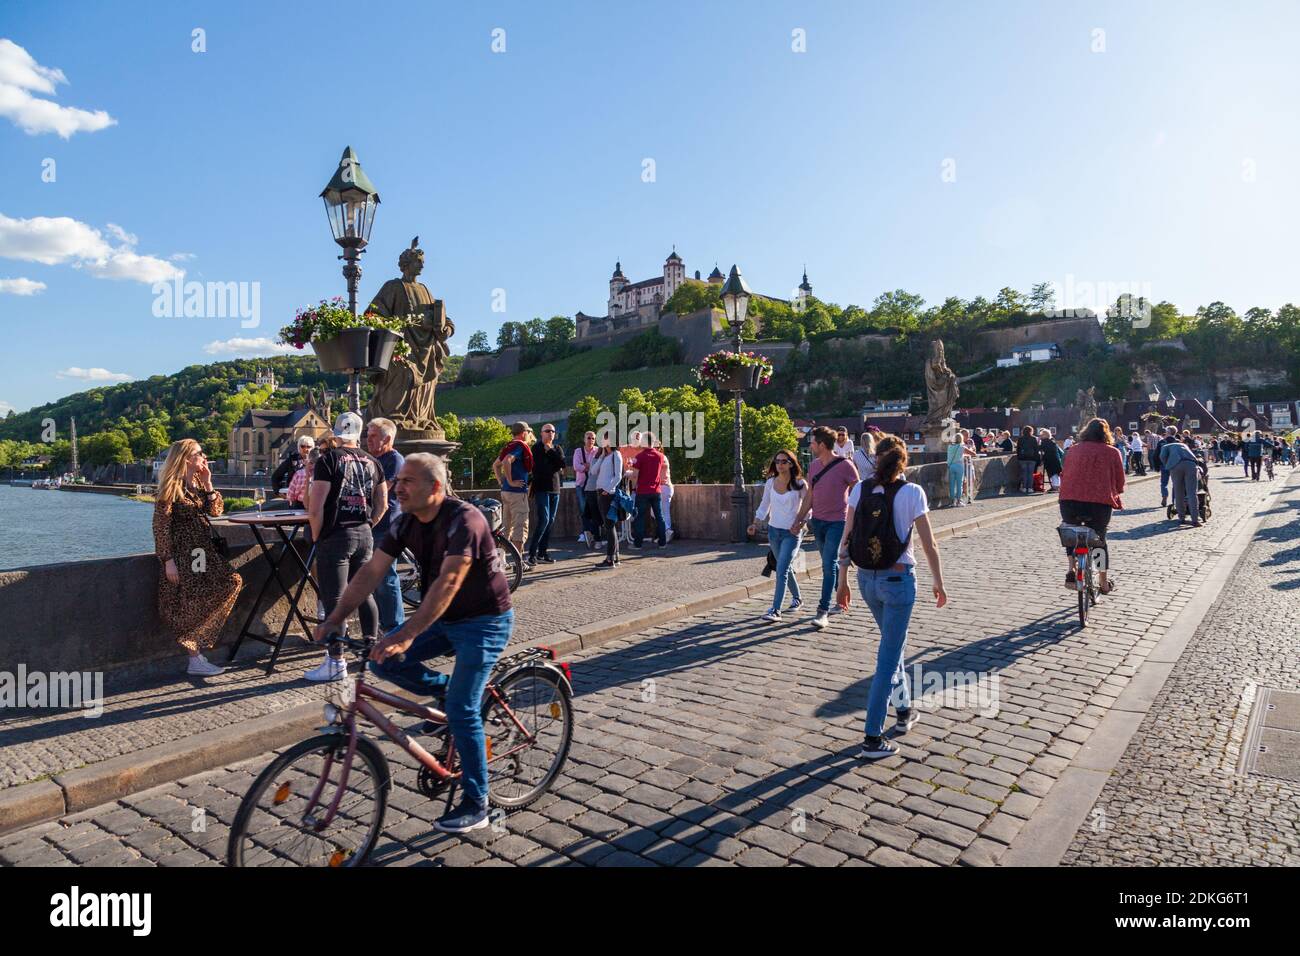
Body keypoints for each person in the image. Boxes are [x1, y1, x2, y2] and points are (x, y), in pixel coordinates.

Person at [313, 453, 513, 834]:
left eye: (407, 481)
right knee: (381, 662)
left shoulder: (465, 520)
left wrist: (404, 634)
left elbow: (449, 583)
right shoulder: (405, 521)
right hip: (443, 618)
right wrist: (336, 617)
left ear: (434, 487)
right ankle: (446, 698)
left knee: (462, 708)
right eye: (398, 480)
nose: (397, 487)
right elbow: (372, 570)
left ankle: (478, 802)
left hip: (484, 621)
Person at [835, 435, 946, 760]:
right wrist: (938, 581)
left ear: (875, 459)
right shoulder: (912, 492)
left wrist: (842, 580)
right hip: (897, 580)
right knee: (887, 659)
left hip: (866, 579)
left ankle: (904, 711)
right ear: (903, 461)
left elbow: (847, 538)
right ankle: (872, 738)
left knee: (892, 646)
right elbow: (929, 544)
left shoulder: (860, 489)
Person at [304, 411, 388, 682]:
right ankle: (370, 651)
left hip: (336, 535)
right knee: (364, 594)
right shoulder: (373, 461)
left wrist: (318, 535)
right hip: (363, 534)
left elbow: (315, 507)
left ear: (337, 433)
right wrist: (367, 525)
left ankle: (336, 661)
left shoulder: (328, 460)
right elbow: (383, 504)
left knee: (336, 599)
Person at [153, 439, 242, 677]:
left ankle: (195, 646)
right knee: (190, 601)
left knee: (231, 581)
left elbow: (216, 511)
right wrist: (167, 560)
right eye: (199, 453)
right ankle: (195, 658)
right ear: (186, 459)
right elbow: (160, 526)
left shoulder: (197, 484)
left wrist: (209, 484)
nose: (204, 456)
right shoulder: (171, 487)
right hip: (183, 555)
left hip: (202, 553)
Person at [791, 425, 859, 630]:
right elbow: (810, 495)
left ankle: (822, 611)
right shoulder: (813, 467)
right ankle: (841, 594)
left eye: (812, 442)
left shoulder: (846, 465)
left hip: (838, 522)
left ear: (821, 444)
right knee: (830, 562)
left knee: (828, 564)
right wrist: (799, 519)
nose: (810, 445)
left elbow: (859, 491)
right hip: (818, 522)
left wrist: (854, 519)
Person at [1058, 417, 1124, 594]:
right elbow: (1120, 481)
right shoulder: (1112, 452)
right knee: (1099, 541)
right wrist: (1115, 491)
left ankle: (1071, 568)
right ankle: (1103, 582)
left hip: (1069, 501)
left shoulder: (1072, 450)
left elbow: (1064, 474)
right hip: (1099, 504)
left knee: (1072, 532)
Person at [749, 450, 808, 622]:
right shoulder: (770, 482)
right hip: (774, 531)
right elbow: (764, 505)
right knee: (785, 568)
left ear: (791, 463)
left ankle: (775, 610)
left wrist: (801, 523)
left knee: (781, 569)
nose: (780, 464)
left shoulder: (800, 483)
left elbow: (809, 507)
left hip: (792, 533)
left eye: (784, 461)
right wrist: (755, 522)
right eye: (777, 461)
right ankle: (797, 598)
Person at [365, 417, 406, 635]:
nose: (367, 440)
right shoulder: (372, 459)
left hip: (387, 525)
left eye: (373, 436)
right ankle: (382, 625)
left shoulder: (394, 460)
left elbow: (381, 489)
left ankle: (394, 628)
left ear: (387, 438)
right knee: (375, 578)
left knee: (386, 579)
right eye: (367, 435)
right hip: (373, 525)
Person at [525, 423, 565, 568]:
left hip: (555, 489)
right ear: (541, 433)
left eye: (553, 431)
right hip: (541, 488)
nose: (550, 433)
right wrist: (554, 465)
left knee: (550, 521)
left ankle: (542, 553)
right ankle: (531, 554)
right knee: (544, 520)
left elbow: (562, 464)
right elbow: (540, 469)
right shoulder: (535, 449)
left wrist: (550, 453)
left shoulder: (557, 448)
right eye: (547, 431)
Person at [493, 422, 533, 558]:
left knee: (506, 528)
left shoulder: (509, 446)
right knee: (520, 528)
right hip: (517, 494)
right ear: (523, 433)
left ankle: (501, 562)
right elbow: (506, 461)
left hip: (506, 493)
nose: (528, 434)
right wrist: (511, 481)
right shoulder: (519, 447)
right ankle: (519, 562)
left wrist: (501, 481)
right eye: (528, 432)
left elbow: (495, 465)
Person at [589, 433, 625, 567]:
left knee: (609, 526)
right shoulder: (606, 456)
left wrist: (607, 489)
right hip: (602, 492)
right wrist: (602, 456)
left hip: (608, 494)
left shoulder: (616, 455)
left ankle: (610, 559)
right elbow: (593, 471)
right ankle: (614, 557)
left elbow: (618, 476)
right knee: (610, 526)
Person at [628, 431, 667, 549]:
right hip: (656, 490)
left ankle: (638, 544)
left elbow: (635, 475)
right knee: (659, 516)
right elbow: (661, 473)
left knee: (640, 518)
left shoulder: (639, 457)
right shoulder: (660, 456)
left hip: (643, 491)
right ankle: (662, 543)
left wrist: (634, 487)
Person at [1160, 434, 1205, 526]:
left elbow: (1162, 457)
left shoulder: (1165, 446)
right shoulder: (1184, 445)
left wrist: (1168, 465)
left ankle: (1181, 517)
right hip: (1190, 465)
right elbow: (1193, 456)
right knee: (1192, 493)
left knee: (1178, 492)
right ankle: (1195, 520)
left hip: (1175, 467)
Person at [572, 430, 599, 548]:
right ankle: (585, 532)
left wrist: (585, 465)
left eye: (593, 438)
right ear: (584, 439)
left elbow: (598, 466)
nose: (591, 440)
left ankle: (593, 533)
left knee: (594, 510)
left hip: (593, 485)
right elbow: (576, 466)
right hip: (581, 484)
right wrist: (589, 466)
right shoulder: (578, 451)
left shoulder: (598, 450)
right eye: (589, 438)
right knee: (584, 509)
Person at [284, 435, 316, 508]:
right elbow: (276, 475)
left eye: (308, 447)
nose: (306, 449)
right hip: (309, 504)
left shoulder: (299, 474)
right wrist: (277, 491)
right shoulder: (292, 459)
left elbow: (290, 496)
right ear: (299, 447)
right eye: (303, 446)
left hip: (303, 503)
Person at [655, 436, 675, 543]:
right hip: (665, 487)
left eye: (656, 447)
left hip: (664, 487)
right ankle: (664, 532)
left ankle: (667, 530)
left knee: (662, 512)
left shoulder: (661, 457)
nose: (654, 449)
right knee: (657, 512)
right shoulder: (662, 457)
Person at [1015, 425, 1040, 493]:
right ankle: (1030, 488)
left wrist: (1019, 457)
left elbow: (1018, 449)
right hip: (1032, 459)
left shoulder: (1020, 439)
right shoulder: (1034, 439)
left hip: (1022, 459)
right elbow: (1036, 450)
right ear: (1031, 431)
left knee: (1024, 473)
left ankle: (1024, 487)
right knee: (1030, 474)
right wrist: (1036, 459)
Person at [945, 430, 965, 507]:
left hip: (951, 466)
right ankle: (959, 501)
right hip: (959, 466)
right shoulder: (961, 447)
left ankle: (952, 501)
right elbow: (972, 453)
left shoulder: (950, 446)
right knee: (959, 484)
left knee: (952, 484)